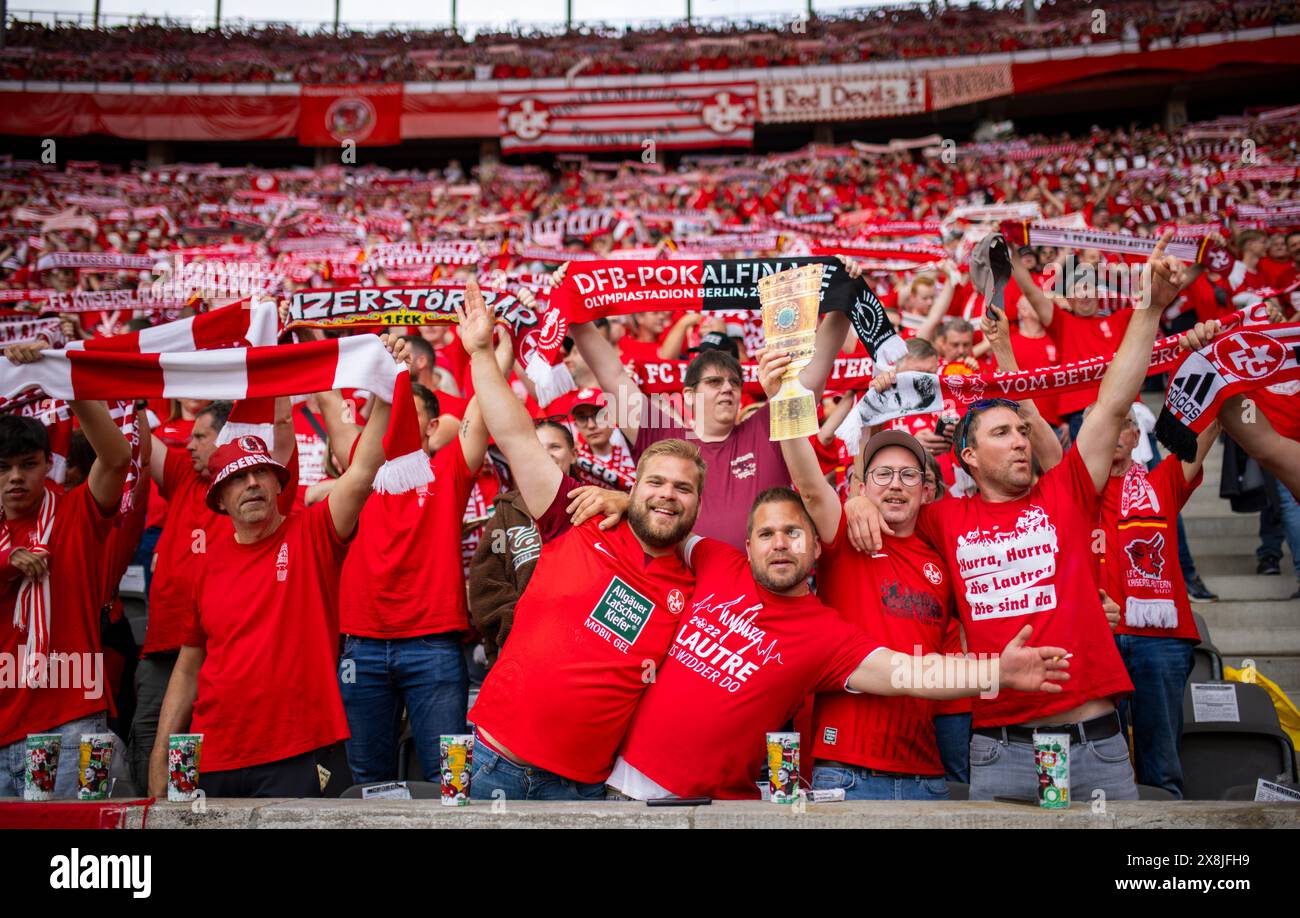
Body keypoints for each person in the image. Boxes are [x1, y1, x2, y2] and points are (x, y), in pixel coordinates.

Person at [845, 230, 1196, 802]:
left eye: (1023, 431)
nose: (1021, 441)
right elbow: (886, 497)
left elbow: (1111, 401)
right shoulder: (943, 519)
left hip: (1096, 742)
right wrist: (859, 493)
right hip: (998, 749)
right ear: (966, 455)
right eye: (1002, 432)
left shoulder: (1067, 492)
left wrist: (1150, 306)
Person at [608, 487, 1069, 801]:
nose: (780, 544)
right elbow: (664, 526)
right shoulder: (714, 559)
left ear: (814, 546)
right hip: (623, 785)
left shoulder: (825, 634)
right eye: (766, 535)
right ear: (748, 547)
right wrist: (626, 500)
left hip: (717, 806)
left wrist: (996, 673)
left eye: (793, 533)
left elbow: (908, 673)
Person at [454, 279, 699, 800]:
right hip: (497, 762)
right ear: (632, 485)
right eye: (654, 482)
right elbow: (517, 435)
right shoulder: (575, 517)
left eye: (684, 488)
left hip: (584, 787)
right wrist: (479, 354)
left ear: (699, 504)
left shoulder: (700, 583)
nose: (667, 496)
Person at [146, 344, 397, 798]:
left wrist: (385, 389)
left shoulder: (314, 533)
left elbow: (361, 472)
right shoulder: (206, 566)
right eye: (237, 479)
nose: (252, 484)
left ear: (279, 484)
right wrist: (161, 753)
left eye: (261, 473)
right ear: (219, 501)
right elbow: (188, 667)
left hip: (301, 749)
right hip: (214, 753)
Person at [324, 327, 513, 785]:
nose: (395, 428)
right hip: (361, 646)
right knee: (368, 780)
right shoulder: (358, 468)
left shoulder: (447, 469)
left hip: (432, 646)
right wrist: (308, 337)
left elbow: (479, 410)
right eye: (386, 415)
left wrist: (493, 354)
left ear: (431, 428)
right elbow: (329, 400)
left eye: (407, 415)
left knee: (450, 780)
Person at [570, 273, 851, 549]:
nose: (727, 389)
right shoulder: (664, 436)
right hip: (686, 589)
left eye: (735, 383)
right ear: (689, 395)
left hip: (761, 587)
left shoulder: (767, 426)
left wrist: (844, 292)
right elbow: (613, 375)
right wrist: (570, 302)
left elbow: (816, 370)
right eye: (715, 382)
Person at [129, 398, 294, 787]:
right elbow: (141, 444)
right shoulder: (184, 476)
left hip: (224, 650)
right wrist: (133, 397)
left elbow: (282, 425)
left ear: (227, 438)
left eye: (200, 436)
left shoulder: (258, 493)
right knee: (150, 748)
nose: (188, 445)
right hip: (165, 643)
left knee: (218, 761)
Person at [0, 344, 132, 797]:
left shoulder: (77, 512)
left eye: (28, 465)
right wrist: (6, 560)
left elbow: (116, 459)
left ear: (47, 465)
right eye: (3, 468)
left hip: (70, 722)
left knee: (81, 859)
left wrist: (66, 381)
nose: (16, 477)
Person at [1095, 403, 1219, 798]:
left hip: (1160, 641)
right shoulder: (1070, 490)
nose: (1116, 432)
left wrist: (1220, 376)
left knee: (1161, 765)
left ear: (1137, 437)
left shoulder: (1162, 480)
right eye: (1108, 423)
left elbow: (1209, 430)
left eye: (1126, 424)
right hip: (1096, 637)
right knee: (1096, 762)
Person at [469, 420, 579, 665]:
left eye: (555, 447)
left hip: (582, 646)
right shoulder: (506, 514)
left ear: (574, 454)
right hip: (520, 650)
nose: (547, 455)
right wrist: (516, 628)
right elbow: (486, 583)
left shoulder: (595, 505)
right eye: (538, 448)